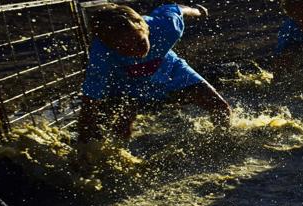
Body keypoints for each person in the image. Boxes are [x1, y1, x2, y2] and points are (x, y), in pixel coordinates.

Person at [77, 3, 231, 165]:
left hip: (170, 70)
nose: (135, 51)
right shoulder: (101, 54)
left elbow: (175, 9)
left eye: (139, 42)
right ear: (110, 46)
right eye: (123, 48)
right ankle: (117, 161)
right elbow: (90, 101)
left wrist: (197, 11)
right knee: (119, 127)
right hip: (126, 83)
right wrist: (82, 145)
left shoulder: (166, 27)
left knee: (220, 107)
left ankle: (223, 145)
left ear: (146, 30)